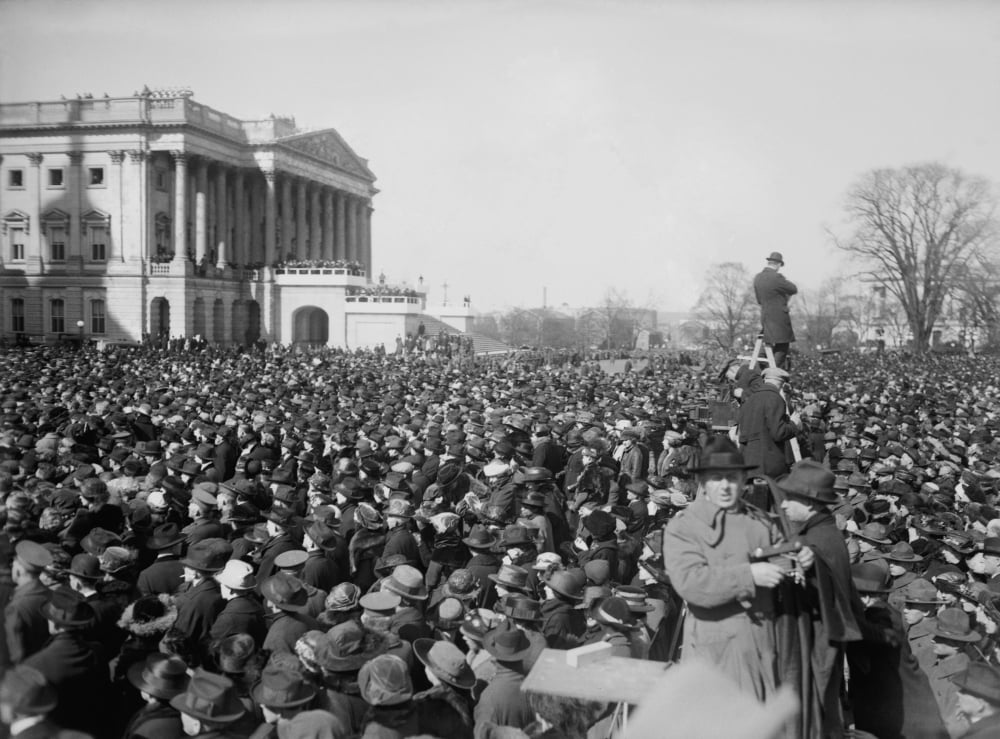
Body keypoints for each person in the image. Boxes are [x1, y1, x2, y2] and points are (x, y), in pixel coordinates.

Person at [661, 438, 801, 702]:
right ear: (703, 481)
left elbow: (780, 557)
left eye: (732, 478)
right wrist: (749, 575)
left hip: (763, 642)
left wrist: (797, 560)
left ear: (743, 479)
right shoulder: (685, 527)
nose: (725, 486)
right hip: (715, 647)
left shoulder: (758, 520)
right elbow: (691, 584)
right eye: (716, 478)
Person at [736, 366, 801, 480]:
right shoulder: (775, 398)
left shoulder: (749, 399)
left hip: (748, 462)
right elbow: (778, 433)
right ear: (781, 383)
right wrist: (794, 425)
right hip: (768, 464)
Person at [753, 251, 797, 370]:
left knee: (767, 344)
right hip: (779, 319)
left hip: (765, 317)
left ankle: (759, 369)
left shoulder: (758, 278)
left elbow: (759, 300)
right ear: (778, 264)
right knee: (782, 345)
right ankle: (773, 373)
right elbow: (793, 289)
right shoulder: (777, 278)